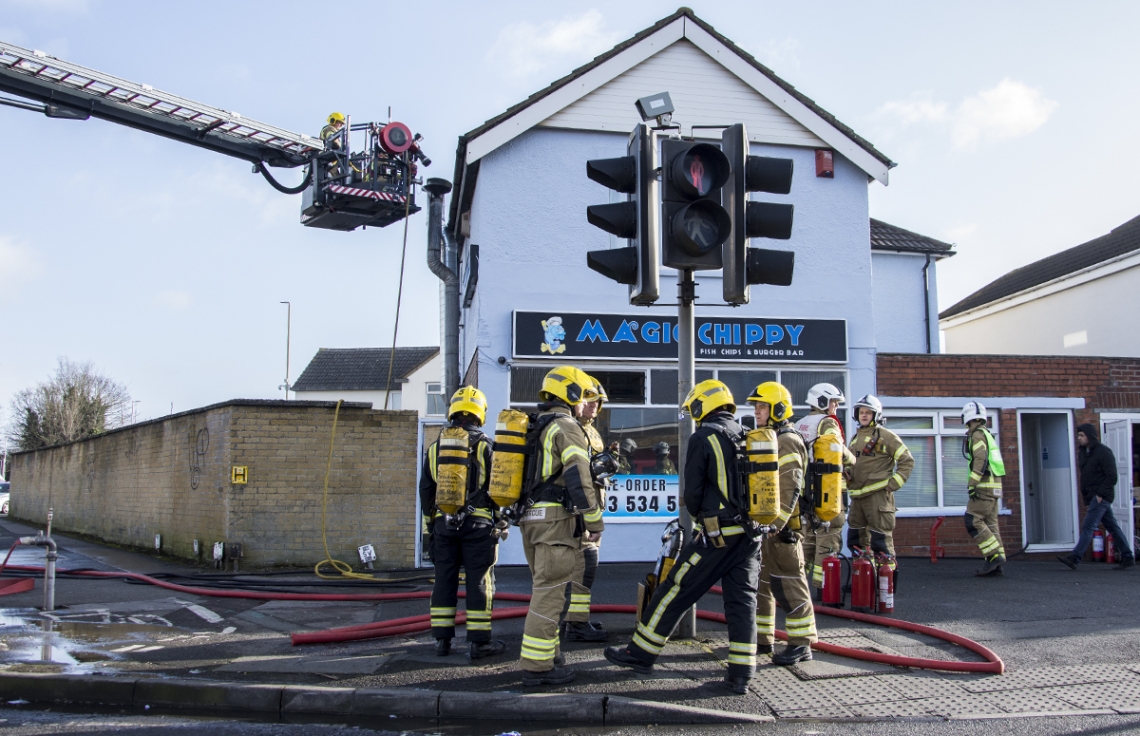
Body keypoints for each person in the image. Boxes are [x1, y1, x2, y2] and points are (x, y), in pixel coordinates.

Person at [605, 379, 761, 694]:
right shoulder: (747, 436)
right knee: (743, 602)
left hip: (716, 536)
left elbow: (692, 495)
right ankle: (741, 675)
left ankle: (640, 653)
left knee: (674, 589)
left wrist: (700, 520)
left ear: (703, 406)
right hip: (751, 537)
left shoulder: (704, 436)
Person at [518, 366, 605, 686]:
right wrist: (594, 520)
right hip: (556, 522)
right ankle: (537, 668)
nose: (586, 404)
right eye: (583, 396)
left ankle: (549, 655)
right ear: (570, 394)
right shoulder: (566, 426)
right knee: (551, 594)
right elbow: (579, 477)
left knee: (545, 591)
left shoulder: (536, 425)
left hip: (531, 521)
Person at [417, 386, 505, 661]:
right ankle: (480, 643)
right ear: (481, 414)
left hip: (443, 526)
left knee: (444, 580)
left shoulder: (435, 448)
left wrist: (431, 528)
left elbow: (426, 491)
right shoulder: (487, 446)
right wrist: (501, 520)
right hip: (479, 527)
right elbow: (500, 487)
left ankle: (442, 642)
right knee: (480, 581)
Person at [749, 381, 817, 665]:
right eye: (755, 407)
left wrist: (776, 524)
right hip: (768, 528)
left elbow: (790, 487)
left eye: (762, 406)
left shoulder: (788, 440)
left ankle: (802, 643)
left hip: (784, 530)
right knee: (763, 583)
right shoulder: (770, 436)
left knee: (790, 583)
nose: (757, 411)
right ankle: (764, 639)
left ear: (778, 408)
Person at [795, 383, 857, 598]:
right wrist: (852, 459)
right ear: (822, 401)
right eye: (834, 402)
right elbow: (838, 451)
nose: (836, 407)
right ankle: (825, 588)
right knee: (828, 540)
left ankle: (798, 588)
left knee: (807, 541)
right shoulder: (828, 423)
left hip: (804, 493)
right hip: (827, 493)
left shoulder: (799, 424)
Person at [561, 376, 609, 643]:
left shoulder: (591, 431)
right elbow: (577, 475)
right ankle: (576, 624)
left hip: (592, 509)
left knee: (584, 566)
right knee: (584, 565)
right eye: (590, 400)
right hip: (579, 513)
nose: (594, 405)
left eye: (598, 401)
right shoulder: (572, 429)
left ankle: (574, 620)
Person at [846, 395, 913, 577]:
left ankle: (886, 583)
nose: (864, 415)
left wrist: (893, 484)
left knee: (880, 542)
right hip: (857, 498)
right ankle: (865, 579)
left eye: (868, 412)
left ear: (876, 415)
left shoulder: (886, 436)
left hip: (878, 497)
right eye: (861, 412)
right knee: (856, 542)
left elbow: (907, 460)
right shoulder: (854, 439)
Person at [1058, 423, 1135, 571]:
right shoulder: (1084, 452)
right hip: (1093, 495)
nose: (1079, 438)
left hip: (1100, 496)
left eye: (1082, 435)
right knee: (1112, 526)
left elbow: (1111, 476)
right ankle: (1127, 556)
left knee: (1088, 526)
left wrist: (1100, 494)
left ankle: (1075, 557)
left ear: (1089, 436)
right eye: (1078, 435)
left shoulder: (1103, 452)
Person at [960, 402, 1007, 576]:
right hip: (994, 488)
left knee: (972, 521)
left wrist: (972, 483)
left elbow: (980, 459)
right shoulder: (987, 434)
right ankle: (997, 563)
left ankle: (993, 556)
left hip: (984, 487)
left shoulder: (977, 435)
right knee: (991, 524)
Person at [320, 112, 346, 177]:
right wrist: (342, 149)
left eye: (342, 124)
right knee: (335, 173)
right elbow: (331, 139)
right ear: (333, 121)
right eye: (340, 122)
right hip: (328, 155)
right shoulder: (330, 128)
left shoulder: (332, 130)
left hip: (329, 155)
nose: (341, 125)